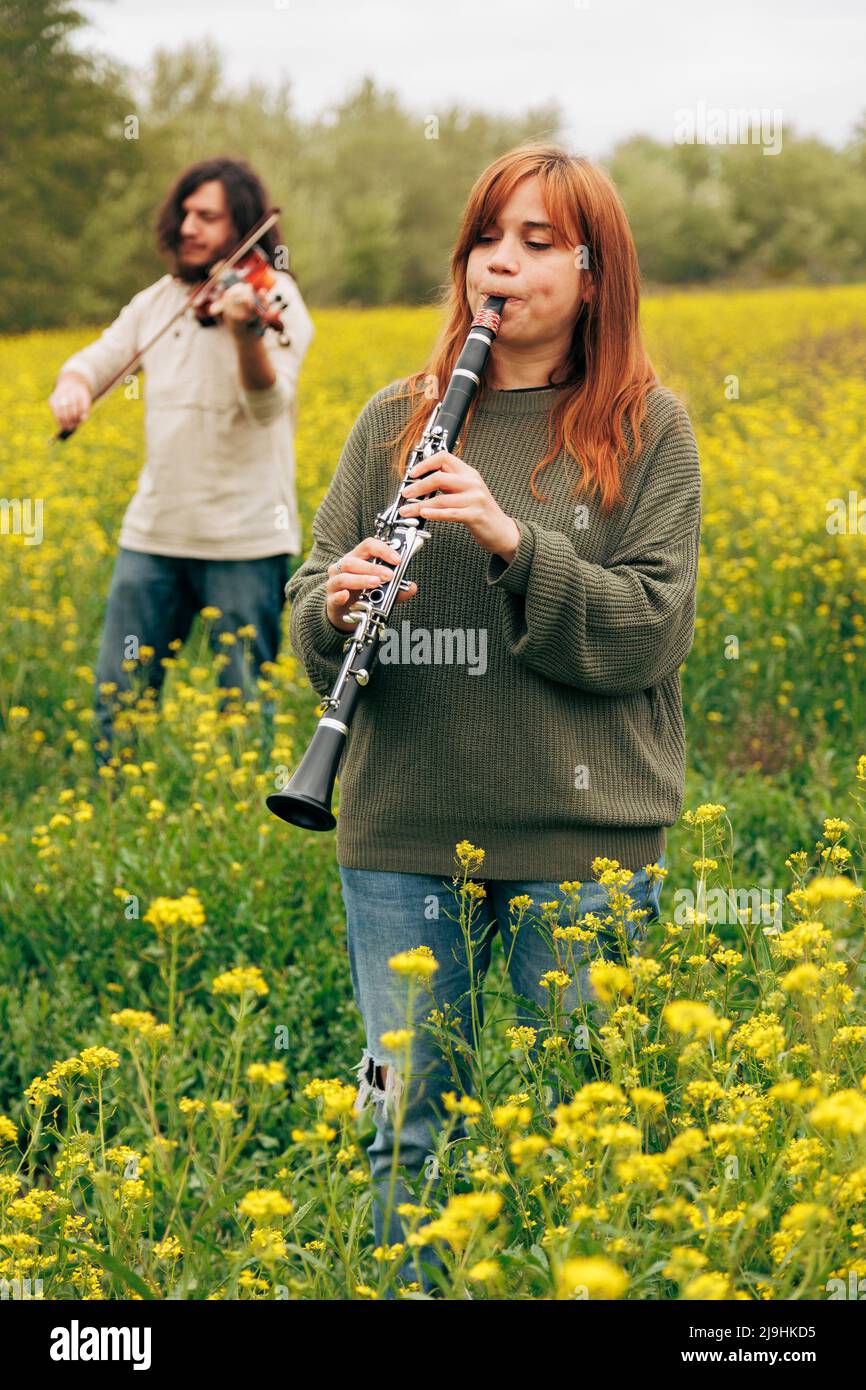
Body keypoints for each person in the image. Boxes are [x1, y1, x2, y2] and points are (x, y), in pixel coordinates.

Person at [286, 143, 701, 1286]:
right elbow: (306, 613)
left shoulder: (645, 427)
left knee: (584, 1137)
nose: (497, 265)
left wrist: (516, 543)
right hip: (400, 835)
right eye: (484, 238)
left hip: (581, 845)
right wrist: (332, 600)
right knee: (402, 1126)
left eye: (534, 242)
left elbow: (649, 631)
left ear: (592, 271)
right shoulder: (392, 419)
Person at [49, 157, 315, 769]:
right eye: (186, 214)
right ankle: (113, 803)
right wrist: (74, 387)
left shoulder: (276, 301)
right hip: (155, 535)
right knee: (120, 692)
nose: (189, 227)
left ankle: (246, 818)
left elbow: (268, 405)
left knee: (243, 707)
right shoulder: (159, 301)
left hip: (245, 541)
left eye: (209, 217)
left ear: (243, 224)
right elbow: (98, 359)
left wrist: (245, 334)